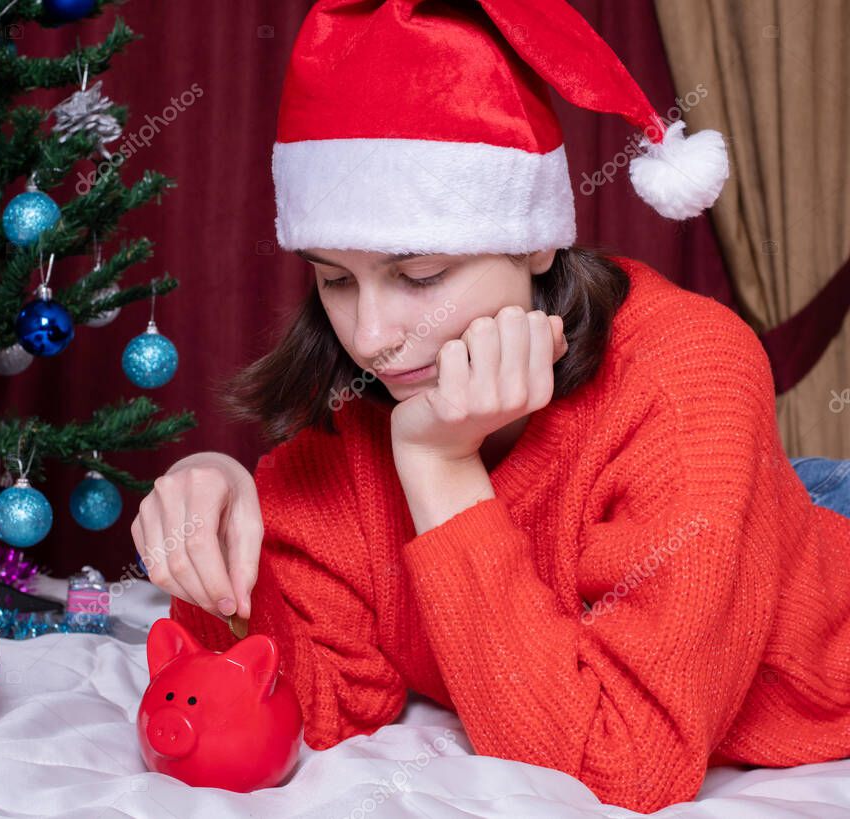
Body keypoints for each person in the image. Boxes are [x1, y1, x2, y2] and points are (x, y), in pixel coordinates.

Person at [130, 0, 850, 813]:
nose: (372, 337)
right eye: (335, 278)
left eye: (421, 276)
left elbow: (622, 768)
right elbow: (308, 698)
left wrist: (441, 466)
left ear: (535, 240)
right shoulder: (355, 409)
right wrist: (216, 508)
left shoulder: (691, 373)